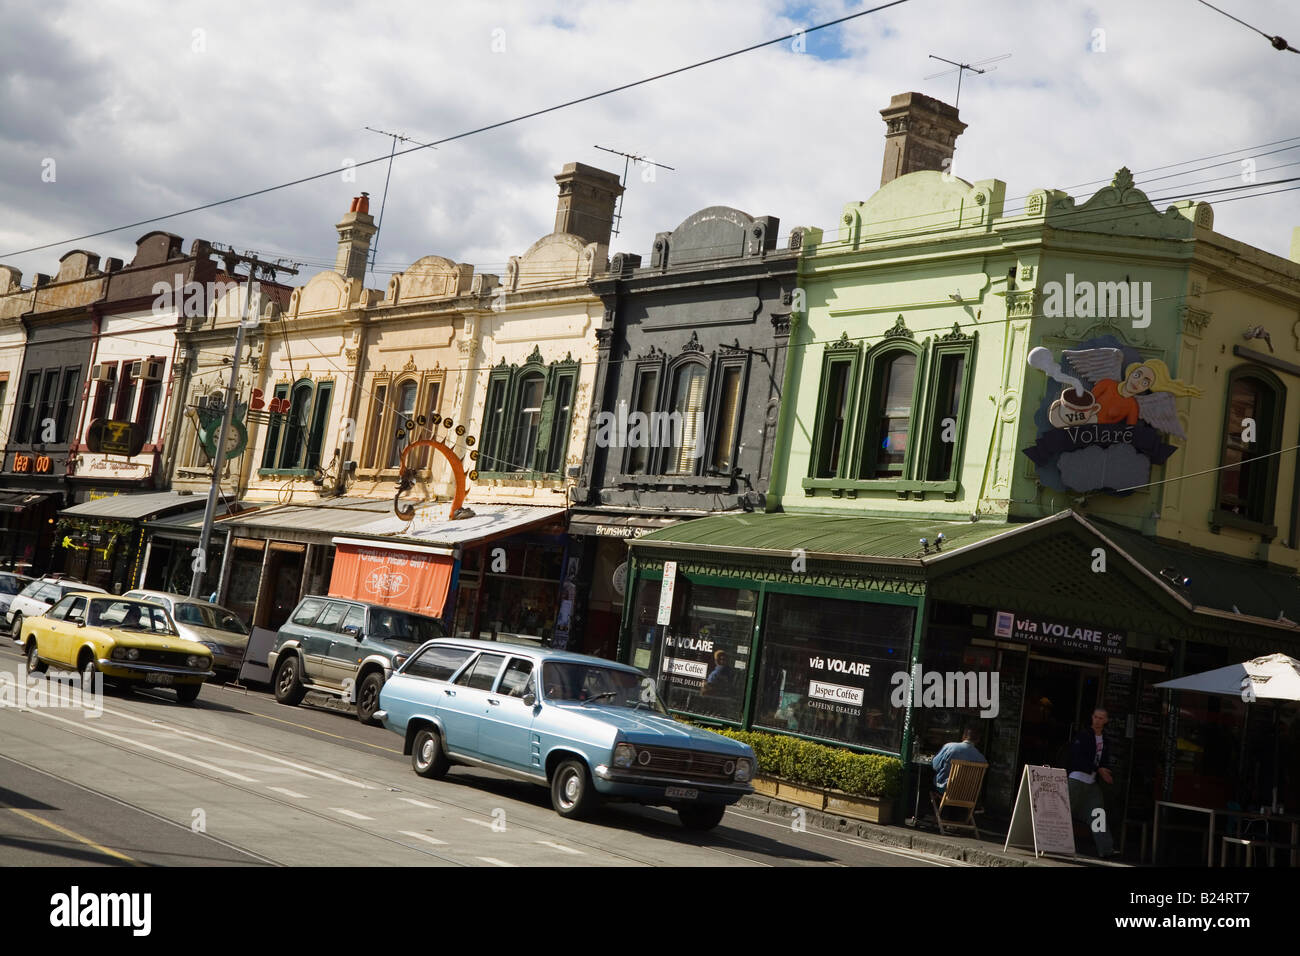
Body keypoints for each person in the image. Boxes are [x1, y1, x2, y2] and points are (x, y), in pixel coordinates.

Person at [1067, 708, 1116, 858]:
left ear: (1106, 721)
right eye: (1095, 717)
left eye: (1101, 718)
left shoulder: (1105, 740)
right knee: (1062, 811)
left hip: (1091, 782)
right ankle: (1047, 841)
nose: (1097, 720)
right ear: (1092, 717)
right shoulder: (1084, 735)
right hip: (1076, 779)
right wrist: (1098, 769)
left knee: (1098, 814)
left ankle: (1106, 850)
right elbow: (1077, 757)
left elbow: (1104, 761)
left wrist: (1106, 771)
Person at [932, 727, 985, 794]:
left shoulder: (949, 747)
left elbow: (935, 765)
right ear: (978, 740)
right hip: (968, 794)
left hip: (946, 789)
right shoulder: (982, 759)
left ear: (964, 736)